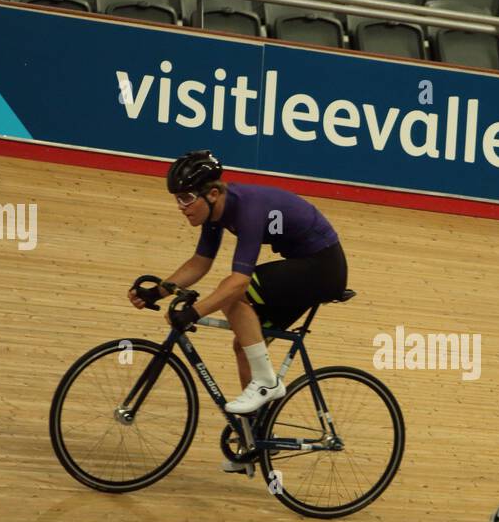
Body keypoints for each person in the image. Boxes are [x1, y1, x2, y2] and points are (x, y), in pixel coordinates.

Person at [129, 150, 348, 472]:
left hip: (321, 267)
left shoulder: (246, 209)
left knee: (234, 297)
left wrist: (193, 312)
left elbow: (237, 283)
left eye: (187, 197)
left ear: (213, 192)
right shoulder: (215, 213)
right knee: (245, 344)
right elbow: (199, 263)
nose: (182, 207)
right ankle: (254, 440)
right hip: (302, 267)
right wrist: (158, 291)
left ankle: (267, 383)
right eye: (177, 199)